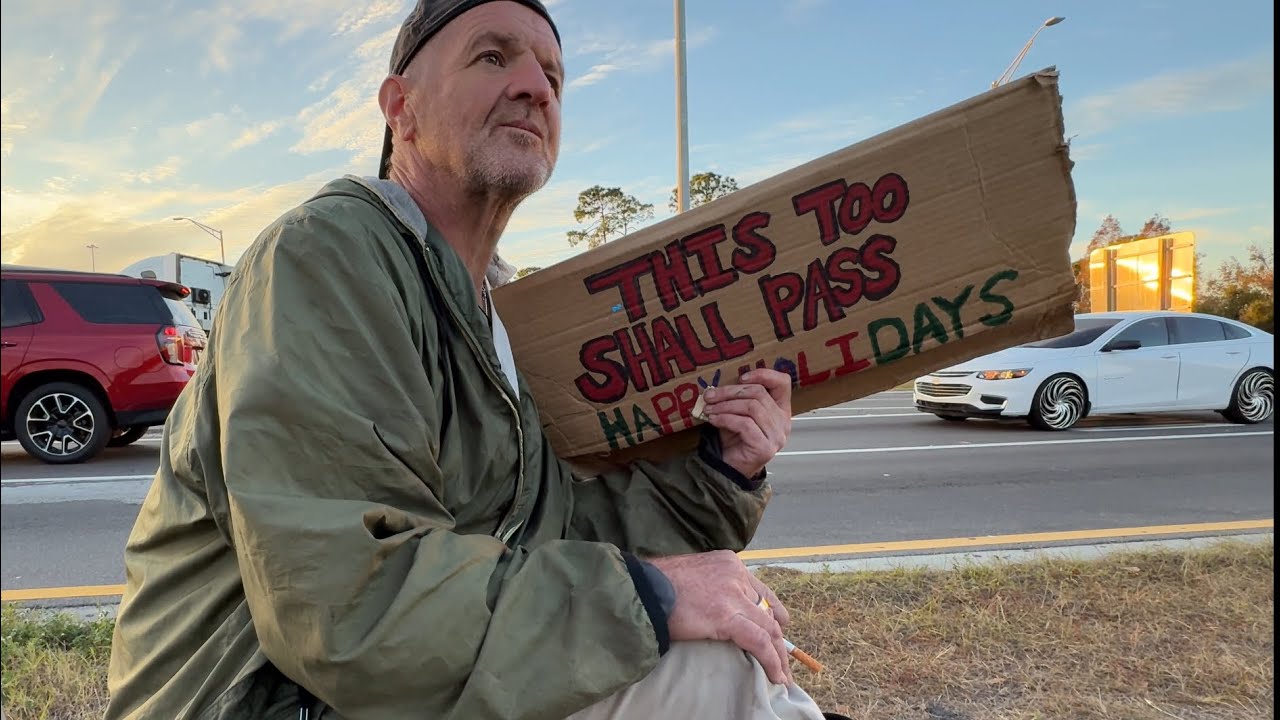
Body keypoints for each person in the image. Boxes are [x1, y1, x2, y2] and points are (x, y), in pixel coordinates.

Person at [105, 1, 848, 718]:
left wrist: (721, 472)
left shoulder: (492, 310)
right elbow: (351, 610)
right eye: (493, 57)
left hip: (371, 689)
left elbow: (551, 527)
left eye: (553, 79)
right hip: (260, 698)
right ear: (401, 108)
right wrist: (650, 597)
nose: (534, 87)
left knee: (715, 641)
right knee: (702, 668)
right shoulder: (329, 257)